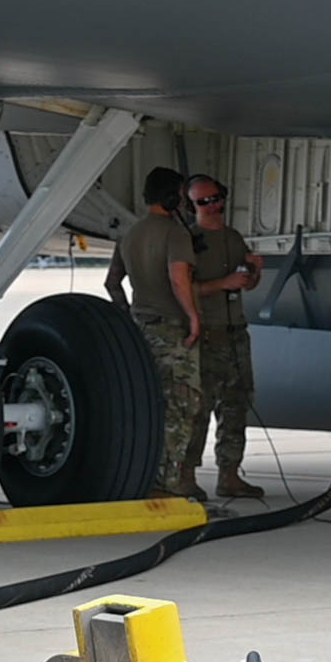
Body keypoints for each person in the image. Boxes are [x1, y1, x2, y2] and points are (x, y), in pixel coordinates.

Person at [105, 166, 202, 499]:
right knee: (180, 408)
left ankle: (144, 478)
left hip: (143, 330)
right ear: (172, 197)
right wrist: (193, 317)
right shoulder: (175, 234)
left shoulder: (129, 234)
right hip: (173, 332)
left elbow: (112, 282)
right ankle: (164, 487)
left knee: (150, 407)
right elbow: (178, 278)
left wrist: (126, 315)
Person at [182, 174, 266, 500]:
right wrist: (223, 284)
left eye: (216, 198)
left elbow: (247, 284)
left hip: (235, 334)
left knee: (237, 404)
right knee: (199, 407)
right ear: (192, 205)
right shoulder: (189, 241)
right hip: (208, 334)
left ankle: (229, 475)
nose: (213, 206)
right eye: (204, 202)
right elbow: (183, 288)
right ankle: (186, 475)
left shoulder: (233, 238)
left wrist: (255, 271)